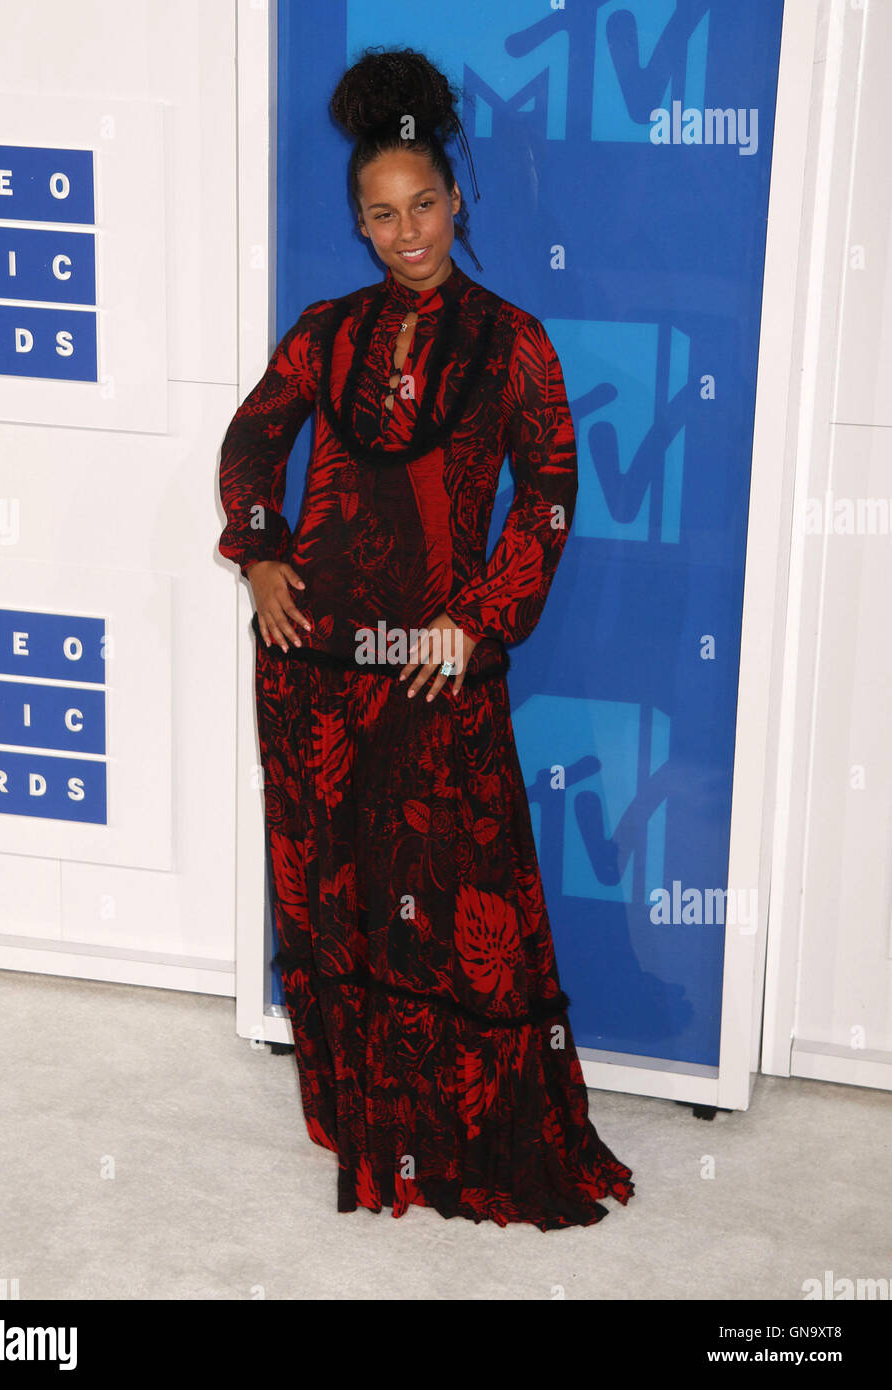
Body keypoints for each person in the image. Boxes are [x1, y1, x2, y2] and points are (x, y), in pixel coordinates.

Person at [217, 46, 635, 1230]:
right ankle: (366, 1122)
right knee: (337, 898)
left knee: (458, 901)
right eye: (380, 214)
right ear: (358, 222)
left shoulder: (515, 343)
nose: (405, 233)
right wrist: (259, 551)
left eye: (424, 207)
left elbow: (550, 494)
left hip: (436, 673)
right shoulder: (322, 332)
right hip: (314, 674)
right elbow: (252, 444)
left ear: (460, 203)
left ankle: (464, 1132)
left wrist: (479, 619)